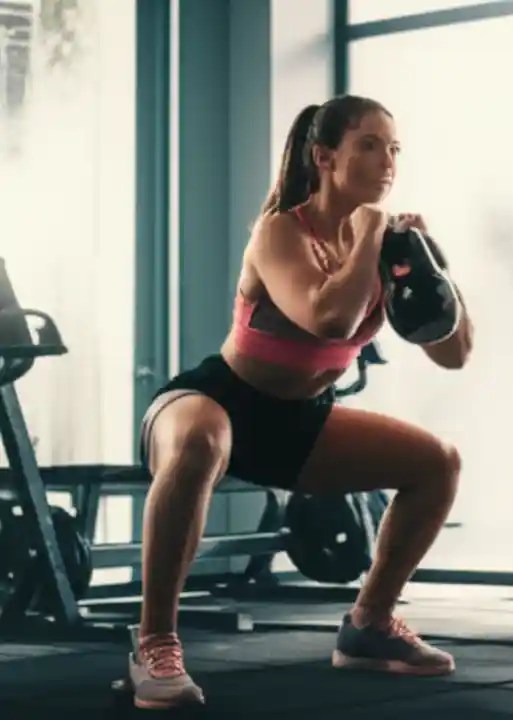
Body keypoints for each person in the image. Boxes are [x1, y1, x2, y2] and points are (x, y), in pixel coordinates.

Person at [125, 95, 475, 711]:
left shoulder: (387, 245)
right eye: (368, 144)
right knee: (203, 437)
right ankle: (154, 644)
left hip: (299, 423)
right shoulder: (280, 229)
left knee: (437, 463)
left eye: (393, 148)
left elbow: (453, 354)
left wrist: (431, 269)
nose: (387, 160)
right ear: (325, 157)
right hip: (215, 401)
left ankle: (369, 625)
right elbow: (329, 320)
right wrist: (370, 232)